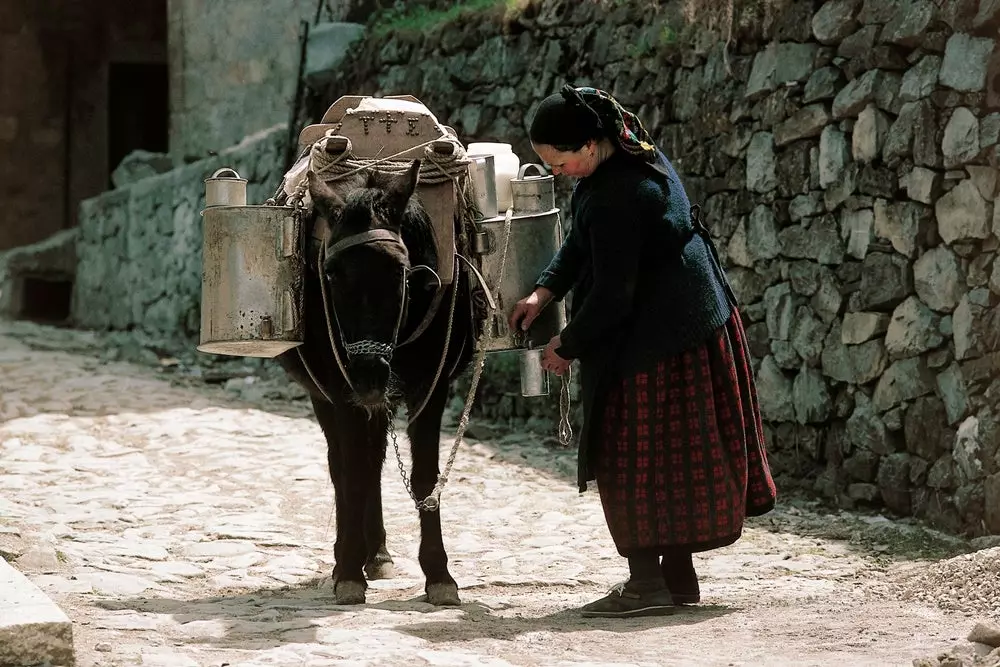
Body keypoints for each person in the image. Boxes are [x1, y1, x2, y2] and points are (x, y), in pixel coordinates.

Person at [509, 85, 778, 618]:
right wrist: (545, 291)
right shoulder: (623, 158)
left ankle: (645, 585)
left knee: (631, 458)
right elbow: (581, 245)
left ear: (589, 144)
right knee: (667, 460)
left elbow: (612, 294)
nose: (556, 173)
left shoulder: (620, 192)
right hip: (684, 326)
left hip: (665, 338)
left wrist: (568, 344)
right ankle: (675, 579)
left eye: (559, 162)